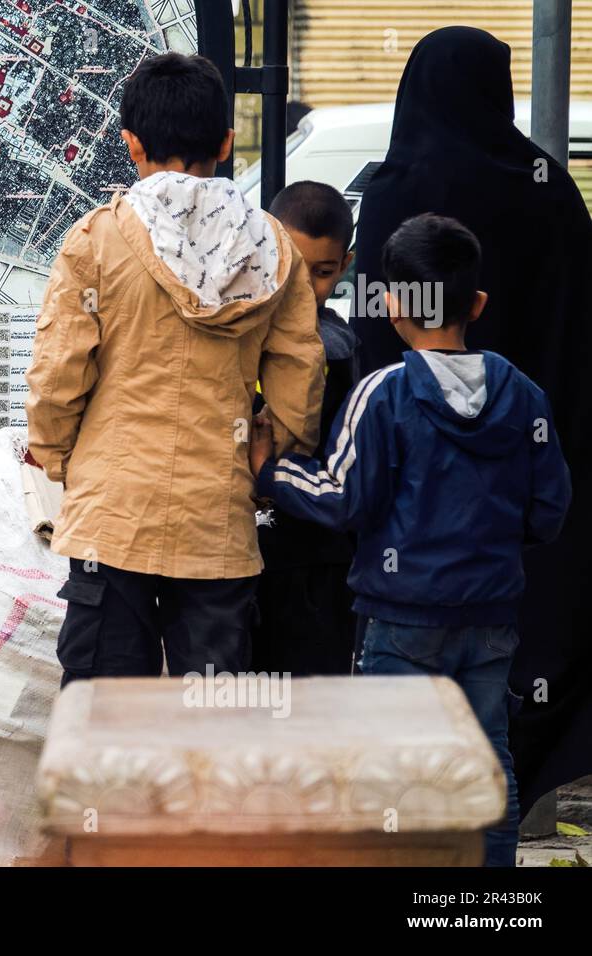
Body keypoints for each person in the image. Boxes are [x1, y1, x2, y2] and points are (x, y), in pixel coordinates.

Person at [251, 213, 572, 866]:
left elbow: (340, 498)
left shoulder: (384, 395)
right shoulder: (526, 397)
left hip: (400, 620)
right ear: (476, 303)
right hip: (489, 618)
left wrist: (269, 470)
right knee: (486, 760)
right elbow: (549, 511)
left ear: (393, 305)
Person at [350, 26, 592, 818]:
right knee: (500, 704)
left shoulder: (394, 188)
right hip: (515, 500)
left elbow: (371, 350)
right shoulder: (548, 188)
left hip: (411, 524)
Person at [26, 52, 325, 687]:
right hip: (217, 522)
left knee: (104, 718)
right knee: (210, 734)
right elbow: (301, 379)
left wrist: (58, 456)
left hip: (113, 515)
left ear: (131, 143)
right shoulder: (276, 247)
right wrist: (268, 451)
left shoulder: (96, 240)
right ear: (226, 141)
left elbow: (58, 373)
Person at [251, 181, 360, 676]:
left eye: (322, 272)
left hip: (317, 566)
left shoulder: (341, 351)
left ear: (346, 265)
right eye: (291, 265)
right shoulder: (234, 333)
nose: (304, 285)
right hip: (240, 563)